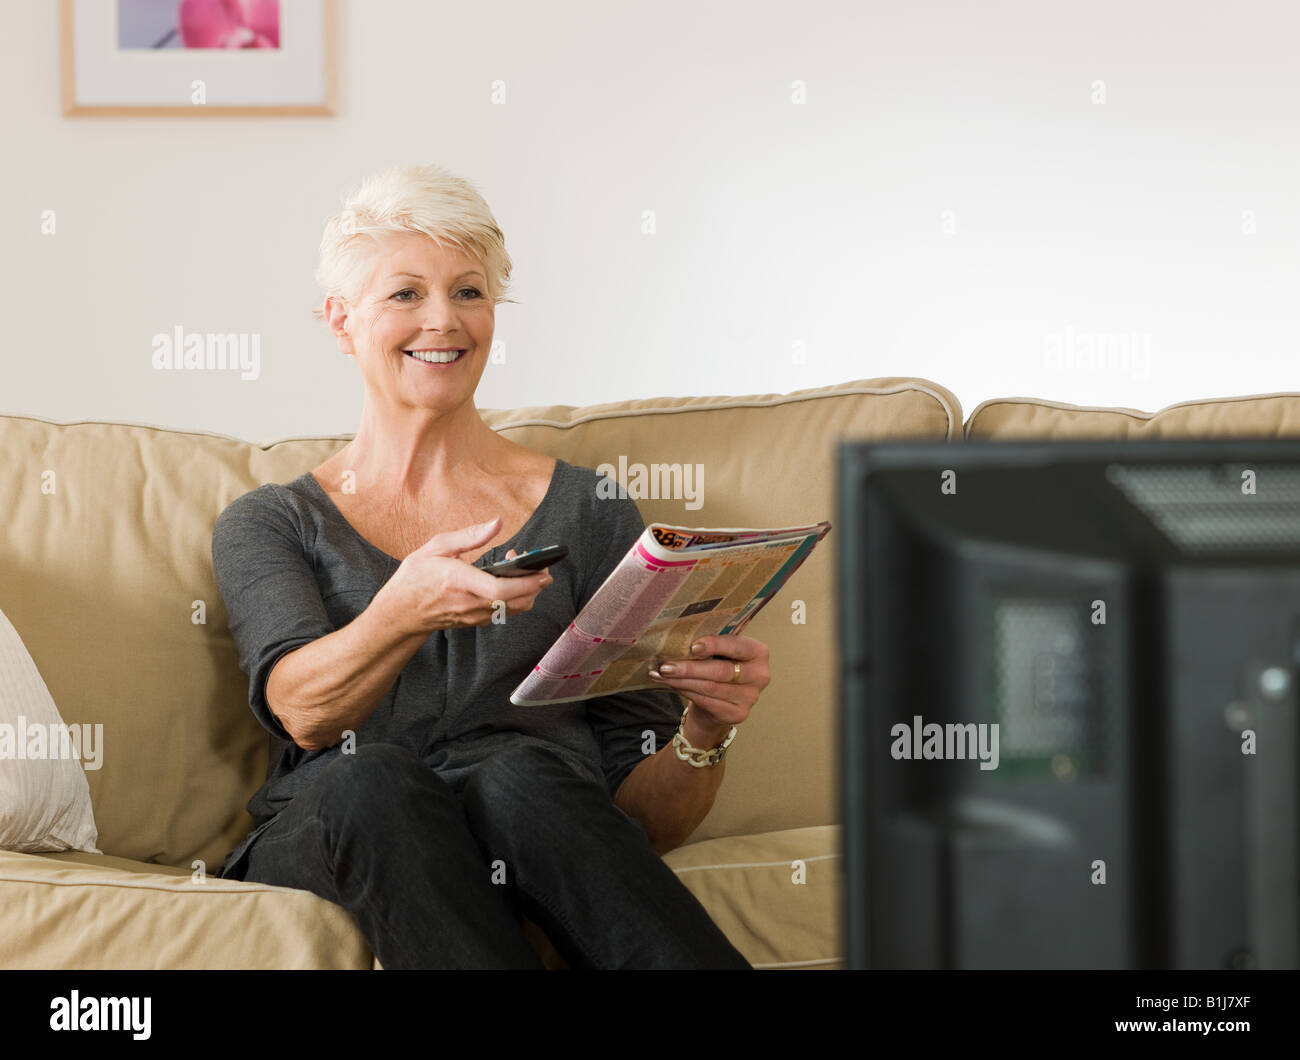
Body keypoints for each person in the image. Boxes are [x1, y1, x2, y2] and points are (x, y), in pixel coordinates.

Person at [212, 163, 770, 969]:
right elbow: (305, 713)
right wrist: (404, 612)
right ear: (341, 321)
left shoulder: (589, 510)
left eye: (469, 293)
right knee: (372, 780)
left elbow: (640, 824)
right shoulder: (272, 522)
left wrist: (704, 731)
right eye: (405, 293)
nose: (444, 320)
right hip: (341, 832)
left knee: (521, 774)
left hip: (529, 827)